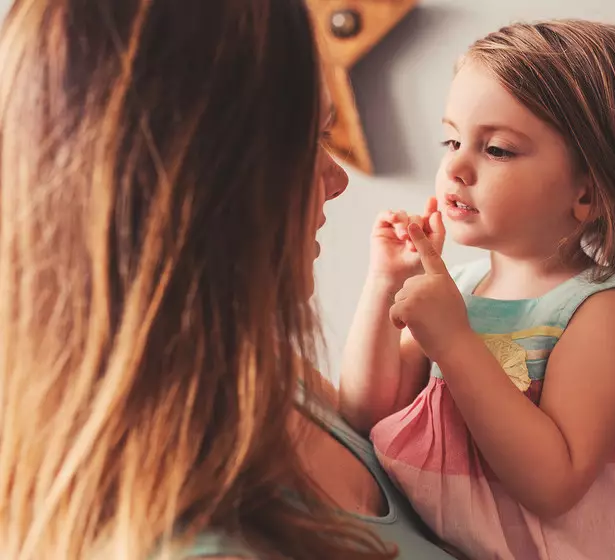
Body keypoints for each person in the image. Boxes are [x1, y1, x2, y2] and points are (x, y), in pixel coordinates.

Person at [0, 1, 456, 559]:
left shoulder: (262, 376)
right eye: (309, 142)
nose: (337, 180)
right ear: (199, 188)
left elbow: (371, 414)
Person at [340, 20, 615, 559]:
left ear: (588, 194)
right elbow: (366, 414)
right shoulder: (462, 290)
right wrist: (385, 283)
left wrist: (455, 344)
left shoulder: (597, 312)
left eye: (497, 150)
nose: (455, 165)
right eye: (452, 139)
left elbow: (554, 486)